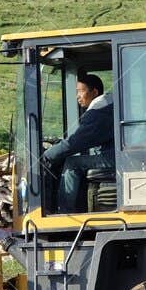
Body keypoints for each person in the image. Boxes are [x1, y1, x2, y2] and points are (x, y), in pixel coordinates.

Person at [41, 73, 115, 212]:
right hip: (114, 154)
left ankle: (64, 212)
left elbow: (75, 142)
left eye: (81, 91)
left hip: (113, 159)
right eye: (77, 92)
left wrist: (47, 155)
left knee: (71, 163)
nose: (78, 96)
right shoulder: (106, 106)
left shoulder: (98, 112)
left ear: (94, 92)